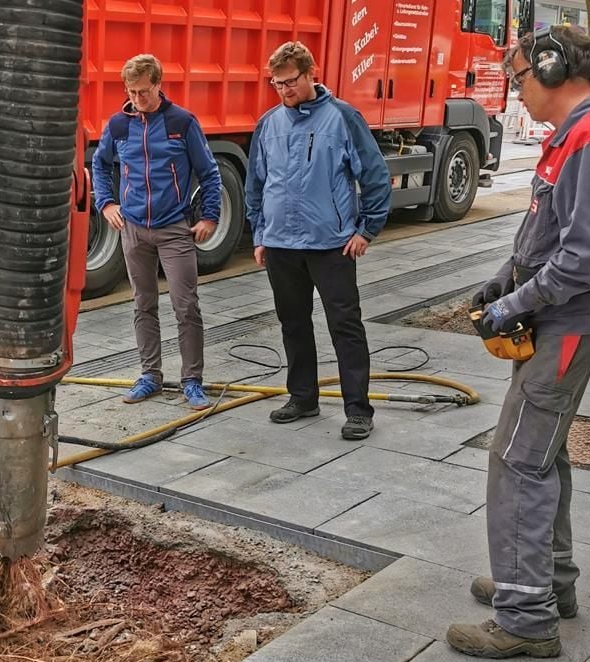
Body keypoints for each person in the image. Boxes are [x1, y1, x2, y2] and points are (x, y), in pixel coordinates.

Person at [447, 26, 590, 659]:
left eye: (522, 76)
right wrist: (503, 277)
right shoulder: (581, 132)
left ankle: (526, 616)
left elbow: (583, 258)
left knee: (518, 460)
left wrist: (512, 305)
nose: (518, 90)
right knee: (541, 451)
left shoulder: (589, 137)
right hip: (567, 318)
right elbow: (548, 231)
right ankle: (543, 584)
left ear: (555, 71)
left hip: (569, 320)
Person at [244, 41, 390, 439]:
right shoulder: (269, 123)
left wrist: (366, 230)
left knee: (345, 325)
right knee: (293, 323)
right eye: (277, 84)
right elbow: (256, 183)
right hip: (280, 246)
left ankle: (358, 409)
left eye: (291, 82)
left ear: (312, 74)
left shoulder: (342, 117)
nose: (285, 90)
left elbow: (374, 175)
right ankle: (303, 397)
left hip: (331, 244)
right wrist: (259, 234)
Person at [92, 55, 222, 411]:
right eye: (132, 93)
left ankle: (192, 381)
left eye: (144, 92)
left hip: (174, 230)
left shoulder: (182, 122)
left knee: (186, 306)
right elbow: (100, 164)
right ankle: (150, 375)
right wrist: (105, 203)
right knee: (142, 303)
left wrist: (209, 216)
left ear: (159, 85)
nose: (137, 100)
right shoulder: (119, 124)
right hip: (133, 229)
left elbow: (210, 173)